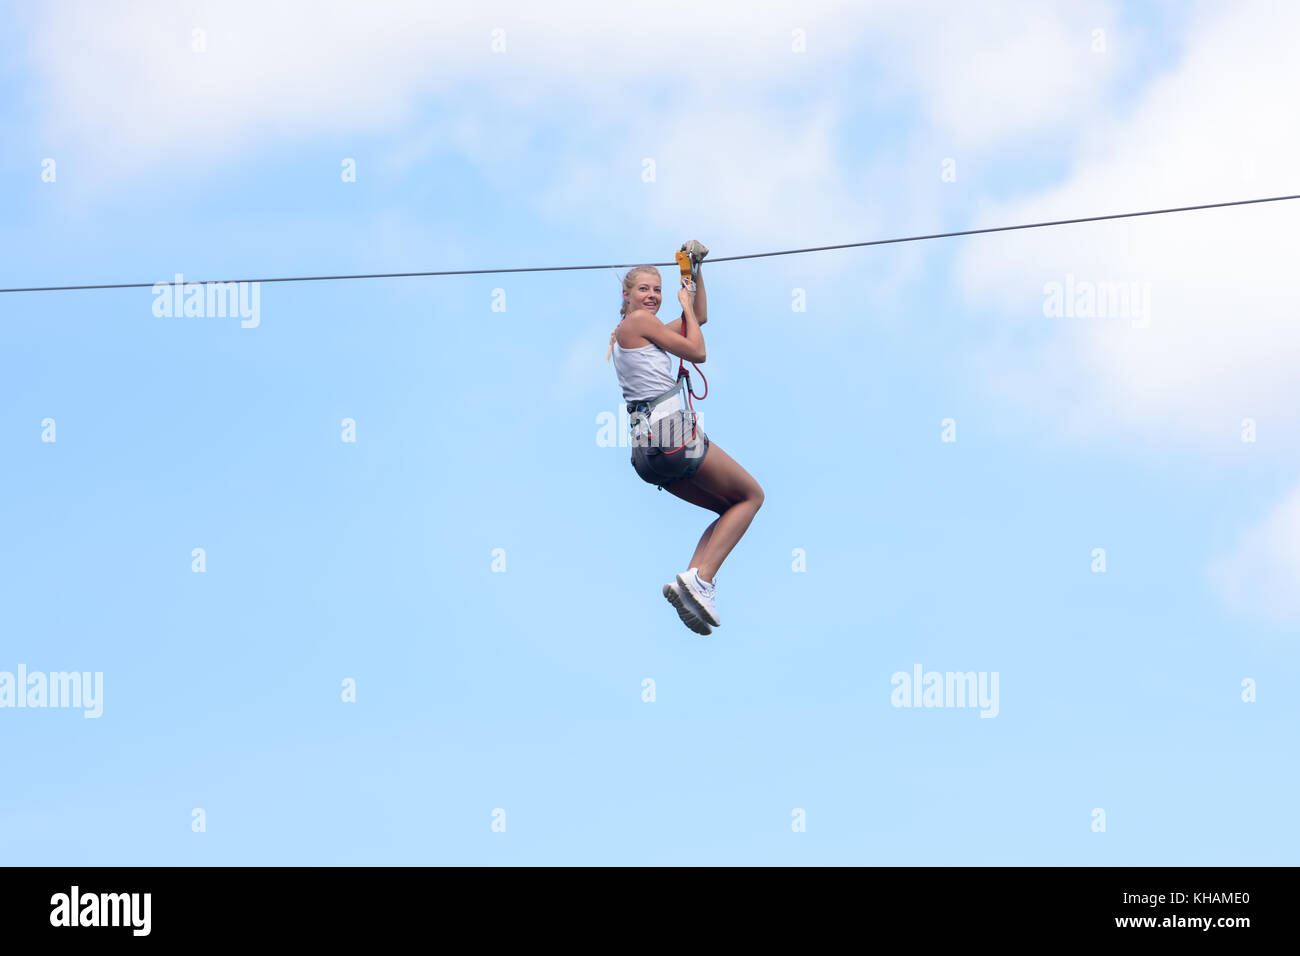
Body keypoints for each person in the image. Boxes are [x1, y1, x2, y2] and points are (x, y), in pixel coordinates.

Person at [605, 243, 764, 636]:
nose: (652, 296)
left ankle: (692, 583)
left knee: (729, 509)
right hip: (671, 434)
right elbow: (698, 351)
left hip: (648, 454)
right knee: (751, 496)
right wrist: (684, 304)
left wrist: (695, 272)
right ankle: (702, 580)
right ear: (627, 295)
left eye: (657, 290)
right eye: (644, 289)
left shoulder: (647, 331)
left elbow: (700, 319)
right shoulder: (636, 323)